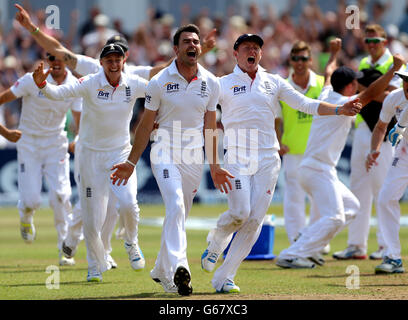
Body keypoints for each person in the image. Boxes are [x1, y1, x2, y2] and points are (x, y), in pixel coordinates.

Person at [15, 3, 217, 267]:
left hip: (118, 148)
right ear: (101, 58)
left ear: (126, 57)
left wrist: (196, 55)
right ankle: (77, 242)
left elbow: (167, 76)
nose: (114, 61)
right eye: (109, 54)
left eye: (119, 54)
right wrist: (31, 27)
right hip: (89, 147)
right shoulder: (89, 69)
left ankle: (105, 250)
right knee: (92, 206)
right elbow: (59, 52)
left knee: (118, 206)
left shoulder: (134, 75)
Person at [199, 35, 362, 293]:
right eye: (246, 48)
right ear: (236, 54)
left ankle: (225, 276)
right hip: (237, 158)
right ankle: (217, 239)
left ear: (261, 54)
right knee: (240, 213)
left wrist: (339, 110)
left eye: (256, 48)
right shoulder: (222, 84)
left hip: (268, 159)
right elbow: (203, 115)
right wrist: (214, 163)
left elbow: (305, 104)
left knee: (254, 221)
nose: (252, 51)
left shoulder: (273, 82)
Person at [110, 24, 233, 296]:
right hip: (164, 149)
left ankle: (160, 270)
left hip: (193, 155)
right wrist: (130, 163)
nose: (193, 45)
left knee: (179, 214)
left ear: (200, 48)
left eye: (196, 42)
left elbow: (210, 128)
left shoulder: (211, 82)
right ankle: (181, 266)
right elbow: (144, 126)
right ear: (175, 49)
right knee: (175, 205)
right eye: (186, 41)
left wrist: (215, 166)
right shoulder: (159, 81)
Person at [276, 39, 405, 269]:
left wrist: (334, 54)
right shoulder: (345, 104)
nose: (358, 85)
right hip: (317, 169)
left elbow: (328, 72)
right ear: (349, 86)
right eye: (355, 82)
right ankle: (292, 254)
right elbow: (373, 92)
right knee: (335, 216)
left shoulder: (327, 93)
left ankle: (310, 248)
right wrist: (393, 70)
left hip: (317, 168)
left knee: (352, 207)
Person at [32, 43, 148, 282]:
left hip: (120, 154)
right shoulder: (90, 82)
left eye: (118, 60)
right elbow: (59, 93)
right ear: (102, 63)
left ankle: (131, 242)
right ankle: (94, 266)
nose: (114, 64)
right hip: (91, 157)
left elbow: (159, 94)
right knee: (93, 217)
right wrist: (42, 84)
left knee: (128, 204)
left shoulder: (133, 83)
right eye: (109, 61)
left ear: (123, 61)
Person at [0, 53, 81, 266]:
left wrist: (78, 140)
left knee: (61, 196)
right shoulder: (30, 80)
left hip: (56, 144)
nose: (56, 62)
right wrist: (5, 132)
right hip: (29, 143)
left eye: (60, 58)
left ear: (67, 62)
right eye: (51, 58)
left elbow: (79, 120)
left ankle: (64, 248)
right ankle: (26, 217)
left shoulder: (74, 84)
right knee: (31, 201)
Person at [333, 24, 404, 261]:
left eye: (376, 41)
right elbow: (371, 93)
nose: (372, 45)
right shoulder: (364, 64)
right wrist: (371, 89)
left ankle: (385, 246)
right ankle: (356, 244)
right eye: (368, 41)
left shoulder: (395, 64)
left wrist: (368, 89)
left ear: (384, 42)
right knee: (359, 185)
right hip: (364, 126)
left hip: (385, 129)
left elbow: (394, 96)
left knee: (382, 188)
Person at [275, 40, 326, 250]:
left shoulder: (322, 84)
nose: (300, 63)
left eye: (304, 58)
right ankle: (296, 240)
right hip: (292, 150)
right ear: (291, 60)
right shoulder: (282, 86)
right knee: (294, 198)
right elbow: (277, 119)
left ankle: (316, 240)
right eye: (295, 58)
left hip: (317, 151)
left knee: (319, 197)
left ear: (310, 60)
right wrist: (279, 142)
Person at [366, 70, 408, 274]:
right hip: (404, 153)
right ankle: (392, 257)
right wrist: (374, 149)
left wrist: (399, 128)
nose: (407, 84)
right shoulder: (394, 98)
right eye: (405, 80)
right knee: (385, 198)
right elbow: (381, 126)